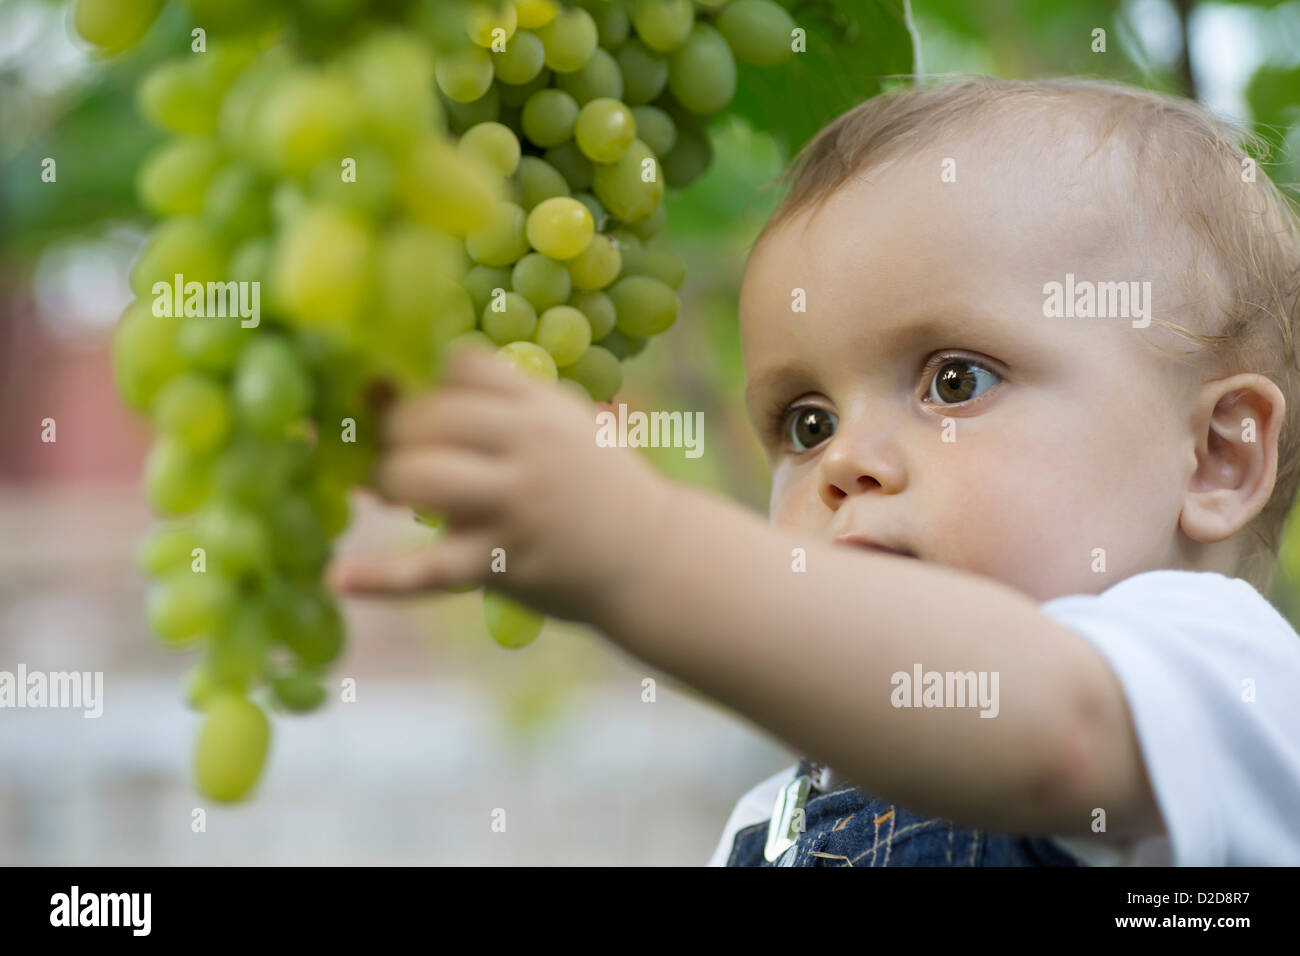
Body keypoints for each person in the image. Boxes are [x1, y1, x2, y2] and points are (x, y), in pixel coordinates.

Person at [328, 76, 1300, 866]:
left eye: (954, 380)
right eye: (804, 421)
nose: (841, 461)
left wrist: (640, 549)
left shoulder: (1218, 679)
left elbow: (1058, 733)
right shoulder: (769, 818)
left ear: (1217, 454)